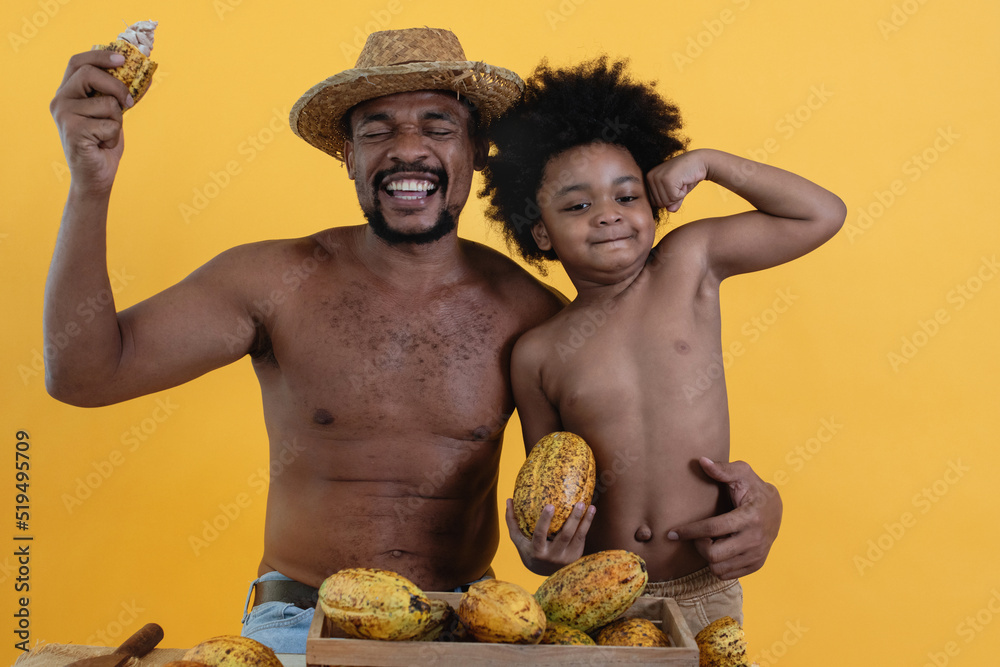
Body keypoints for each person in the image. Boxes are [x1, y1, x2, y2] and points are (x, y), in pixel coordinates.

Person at [46, 29, 783, 652]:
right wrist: (91, 183)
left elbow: (633, 480)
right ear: (349, 156)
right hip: (299, 624)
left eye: (437, 125)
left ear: (474, 151)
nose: (407, 148)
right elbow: (83, 373)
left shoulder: (536, 313)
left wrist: (757, 512)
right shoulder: (273, 279)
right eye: (377, 129)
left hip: (470, 627)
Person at [481, 57, 845, 634]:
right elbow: (548, 484)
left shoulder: (689, 263)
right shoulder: (538, 354)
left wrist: (710, 163)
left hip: (706, 584)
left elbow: (821, 214)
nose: (607, 216)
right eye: (578, 206)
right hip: (595, 595)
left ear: (653, 203)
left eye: (626, 197)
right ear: (541, 232)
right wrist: (540, 554)